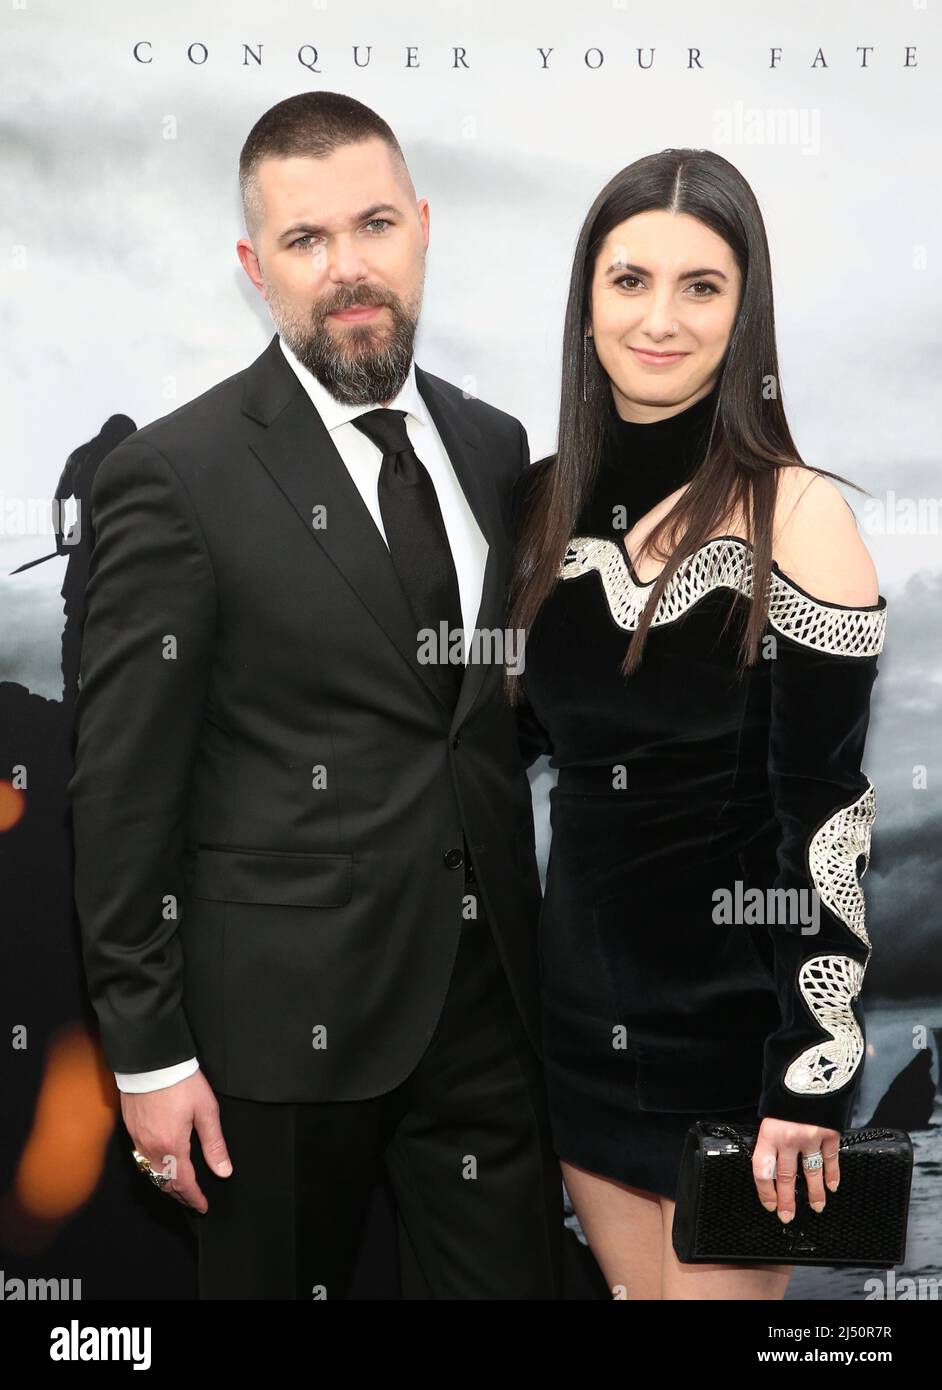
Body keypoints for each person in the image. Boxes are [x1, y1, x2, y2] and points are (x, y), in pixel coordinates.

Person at [68, 90, 564, 1300]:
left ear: (423, 229)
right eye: (305, 239)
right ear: (255, 267)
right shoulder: (174, 476)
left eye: (375, 225)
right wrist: (147, 1055)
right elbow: (122, 791)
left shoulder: (495, 447)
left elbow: (488, 720)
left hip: (489, 1021)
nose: (349, 268)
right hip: (275, 1049)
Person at [506, 147, 887, 1301]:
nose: (660, 318)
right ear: (586, 303)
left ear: (744, 309)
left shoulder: (800, 514)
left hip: (737, 1063)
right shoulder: (538, 507)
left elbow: (824, 823)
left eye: (701, 285)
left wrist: (809, 1075)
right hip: (578, 1047)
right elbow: (492, 752)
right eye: (630, 280)